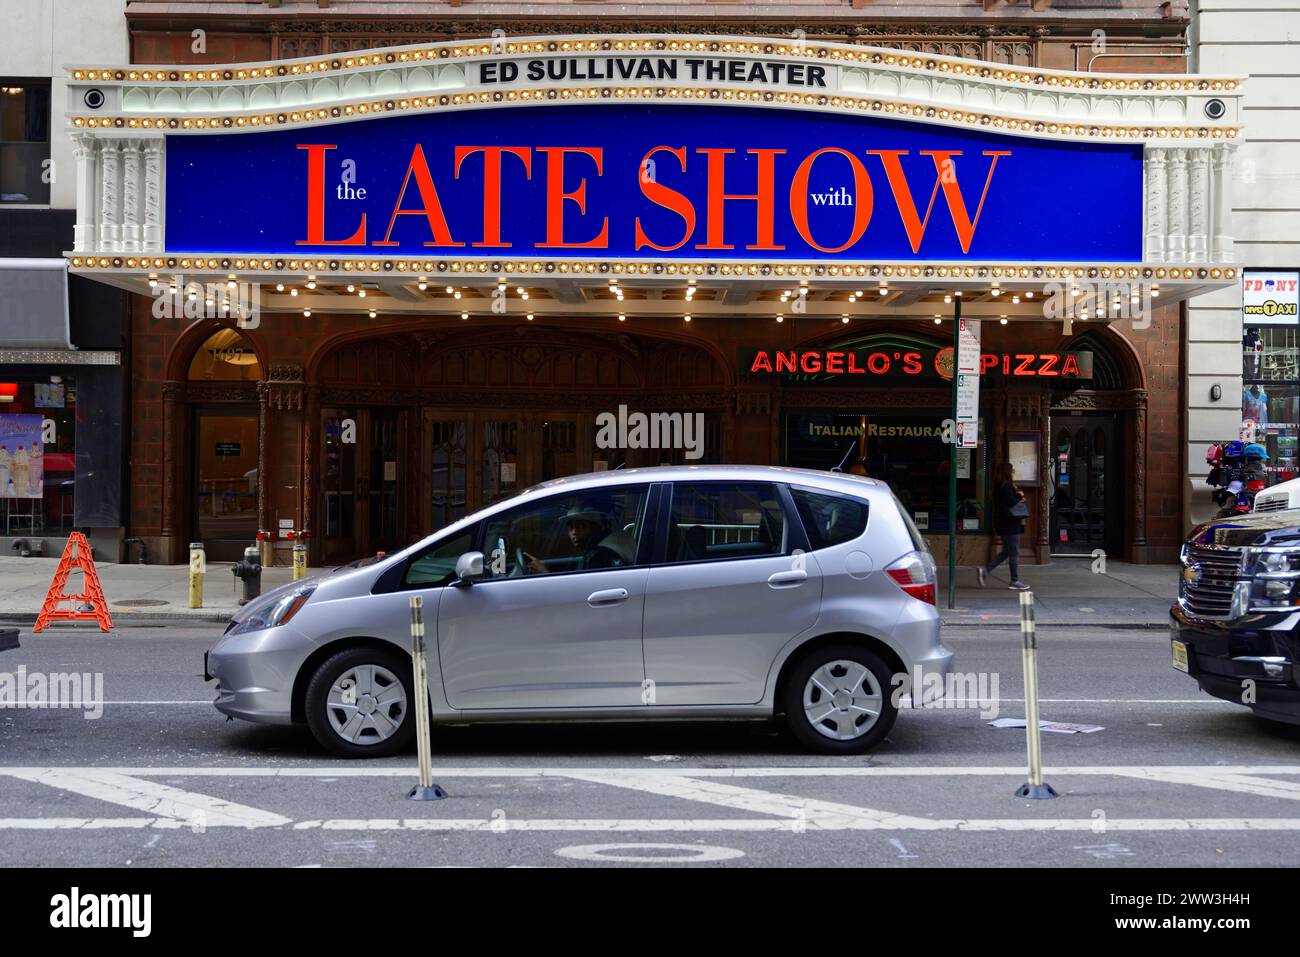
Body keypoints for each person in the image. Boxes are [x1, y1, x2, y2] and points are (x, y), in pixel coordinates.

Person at [525, 500, 627, 574]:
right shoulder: (593, 551)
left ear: (594, 528)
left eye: (581, 526)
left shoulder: (597, 556)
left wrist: (545, 572)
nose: (574, 532)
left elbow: (576, 591)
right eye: (571, 528)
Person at [978, 462, 1030, 591]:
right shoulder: (1006, 486)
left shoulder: (998, 486)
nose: (1013, 473)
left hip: (1003, 523)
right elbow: (1012, 502)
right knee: (1014, 552)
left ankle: (985, 570)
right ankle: (1014, 580)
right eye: (1012, 471)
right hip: (1010, 524)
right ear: (1007, 472)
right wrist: (1020, 497)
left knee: (1007, 551)